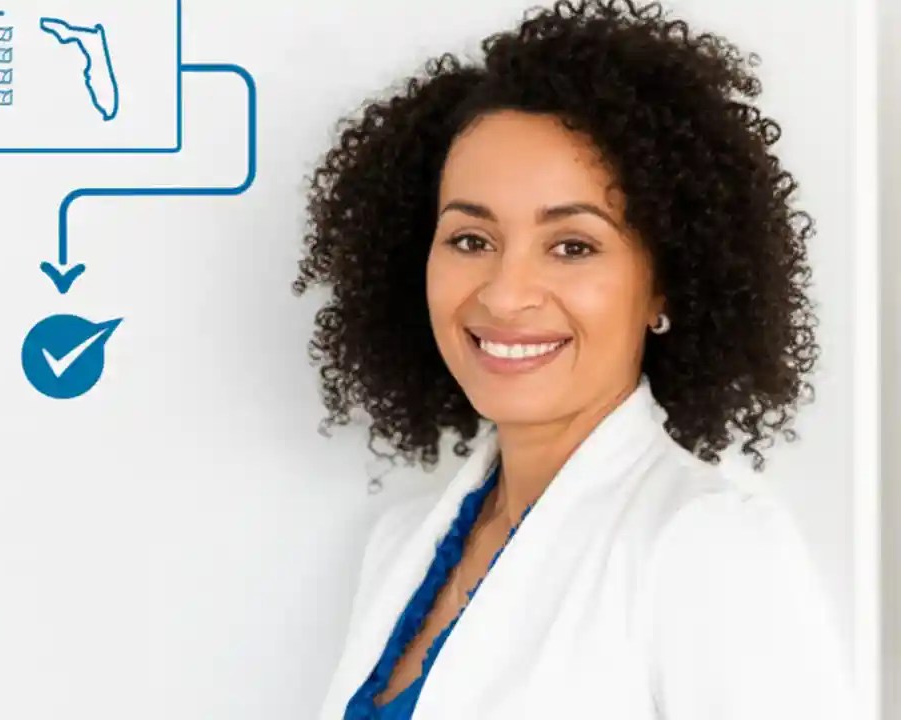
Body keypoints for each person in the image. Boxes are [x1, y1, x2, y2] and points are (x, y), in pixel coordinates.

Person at [291, 1, 853, 717]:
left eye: (573, 246)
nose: (506, 293)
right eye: (470, 239)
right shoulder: (401, 546)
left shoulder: (707, 544)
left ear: (664, 283)